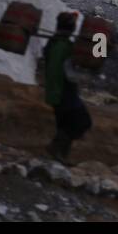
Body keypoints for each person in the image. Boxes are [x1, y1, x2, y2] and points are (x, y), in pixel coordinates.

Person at [42, 12, 92, 163]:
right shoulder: (65, 47)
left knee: (64, 124)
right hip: (64, 91)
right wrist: (85, 76)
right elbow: (69, 73)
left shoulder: (52, 43)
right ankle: (55, 149)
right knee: (82, 121)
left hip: (53, 91)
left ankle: (60, 157)